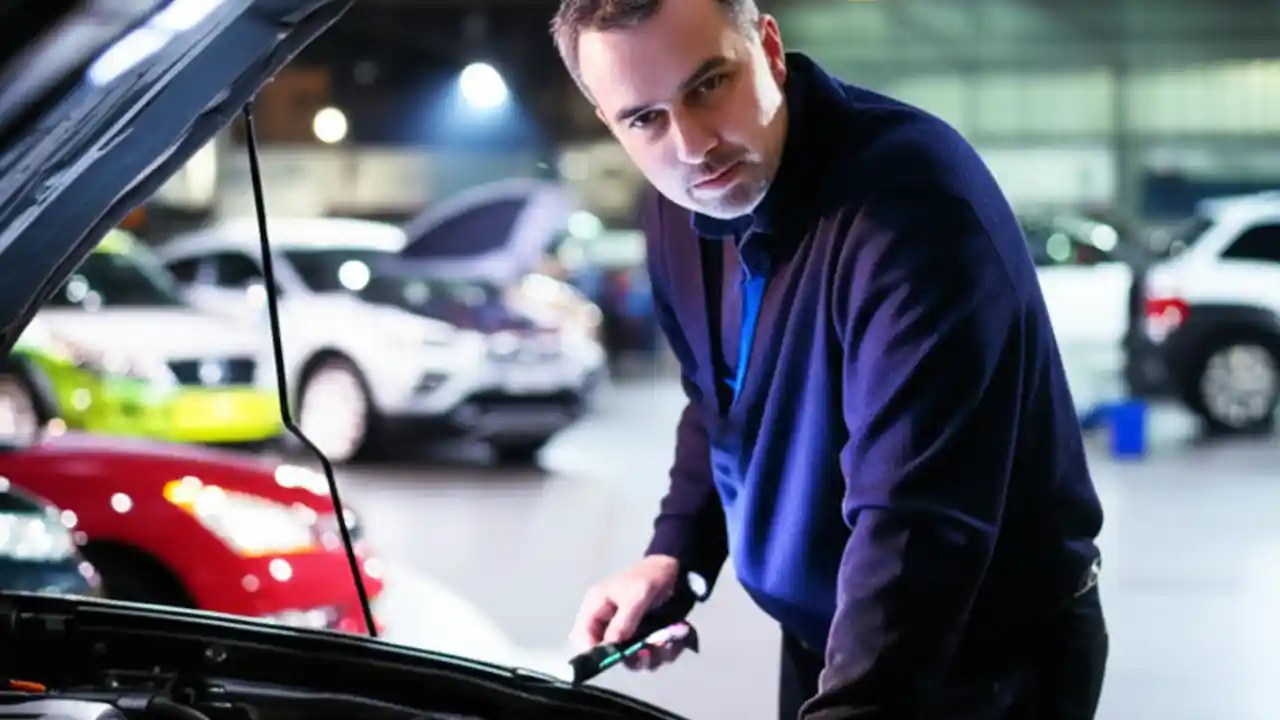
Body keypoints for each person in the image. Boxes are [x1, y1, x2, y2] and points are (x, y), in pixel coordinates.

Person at [551, 0, 1109, 717]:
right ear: (609, 121)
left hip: (982, 665)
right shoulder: (679, 204)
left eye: (708, 85)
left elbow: (916, 535)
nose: (691, 145)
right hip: (831, 642)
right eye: (645, 119)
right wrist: (677, 557)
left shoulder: (912, 207)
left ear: (770, 50)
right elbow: (722, 403)